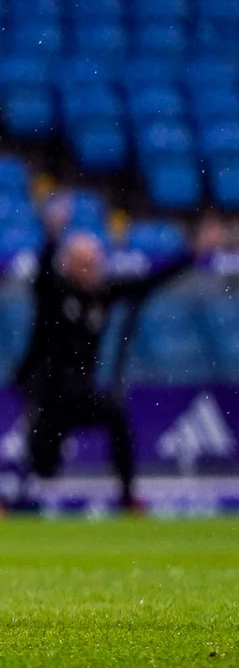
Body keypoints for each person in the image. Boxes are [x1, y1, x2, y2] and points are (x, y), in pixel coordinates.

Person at [14, 198, 222, 510]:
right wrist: (52, 236)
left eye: (96, 261)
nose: (93, 268)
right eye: (85, 263)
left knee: (117, 416)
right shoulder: (54, 293)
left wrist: (193, 254)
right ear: (68, 265)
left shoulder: (103, 294)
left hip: (81, 393)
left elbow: (147, 282)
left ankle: (127, 497)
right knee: (44, 465)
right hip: (48, 394)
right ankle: (22, 499)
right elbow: (43, 274)